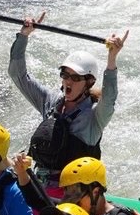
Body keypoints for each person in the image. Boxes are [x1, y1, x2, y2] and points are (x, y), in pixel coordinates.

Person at [8, 11, 128, 197]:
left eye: (75, 77)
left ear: (89, 82)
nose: (68, 82)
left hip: (73, 193)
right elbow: (18, 75)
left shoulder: (95, 116)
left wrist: (112, 59)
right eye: (65, 75)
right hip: (39, 186)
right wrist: (23, 35)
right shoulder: (51, 102)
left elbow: (110, 99)